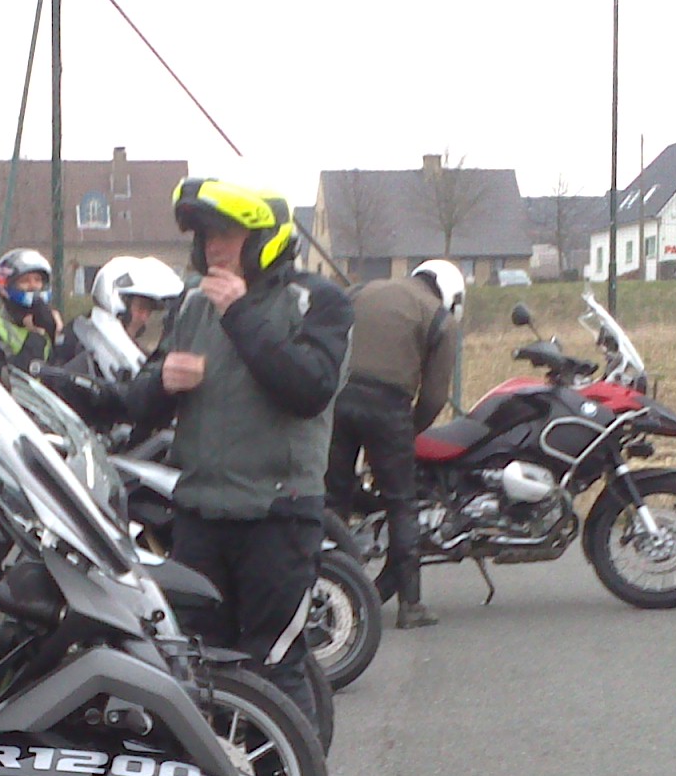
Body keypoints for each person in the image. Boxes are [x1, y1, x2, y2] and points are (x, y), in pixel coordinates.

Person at [111, 179, 351, 724]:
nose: (212, 247)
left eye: (225, 234)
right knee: (197, 666)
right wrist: (160, 384)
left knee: (274, 666)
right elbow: (142, 405)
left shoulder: (316, 300)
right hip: (199, 516)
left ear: (262, 237)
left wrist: (241, 316)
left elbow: (310, 388)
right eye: (204, 236)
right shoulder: (194, 307)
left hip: (277, 516)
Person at [331, 258, 464, 628]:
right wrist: (409, 430)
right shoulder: (439, 318)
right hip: (387, 407)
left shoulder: (361, 290)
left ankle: (332, 590)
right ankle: (411, 605)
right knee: (401, 503)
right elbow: (435, 397)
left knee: (333, 499)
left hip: (336, 398)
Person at [51, 254, 185, 381]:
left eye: (149, 310)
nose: (145, 317)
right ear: (116, 303)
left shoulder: (135, 353)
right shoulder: (78, 344)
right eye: (141, 308)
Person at [0, 247, 62, 373]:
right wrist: (36, 334)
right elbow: (13, 381)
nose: (33, 286)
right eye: (25, 281)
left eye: (37, 280)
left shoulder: (50, 322)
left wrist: (58, 337)